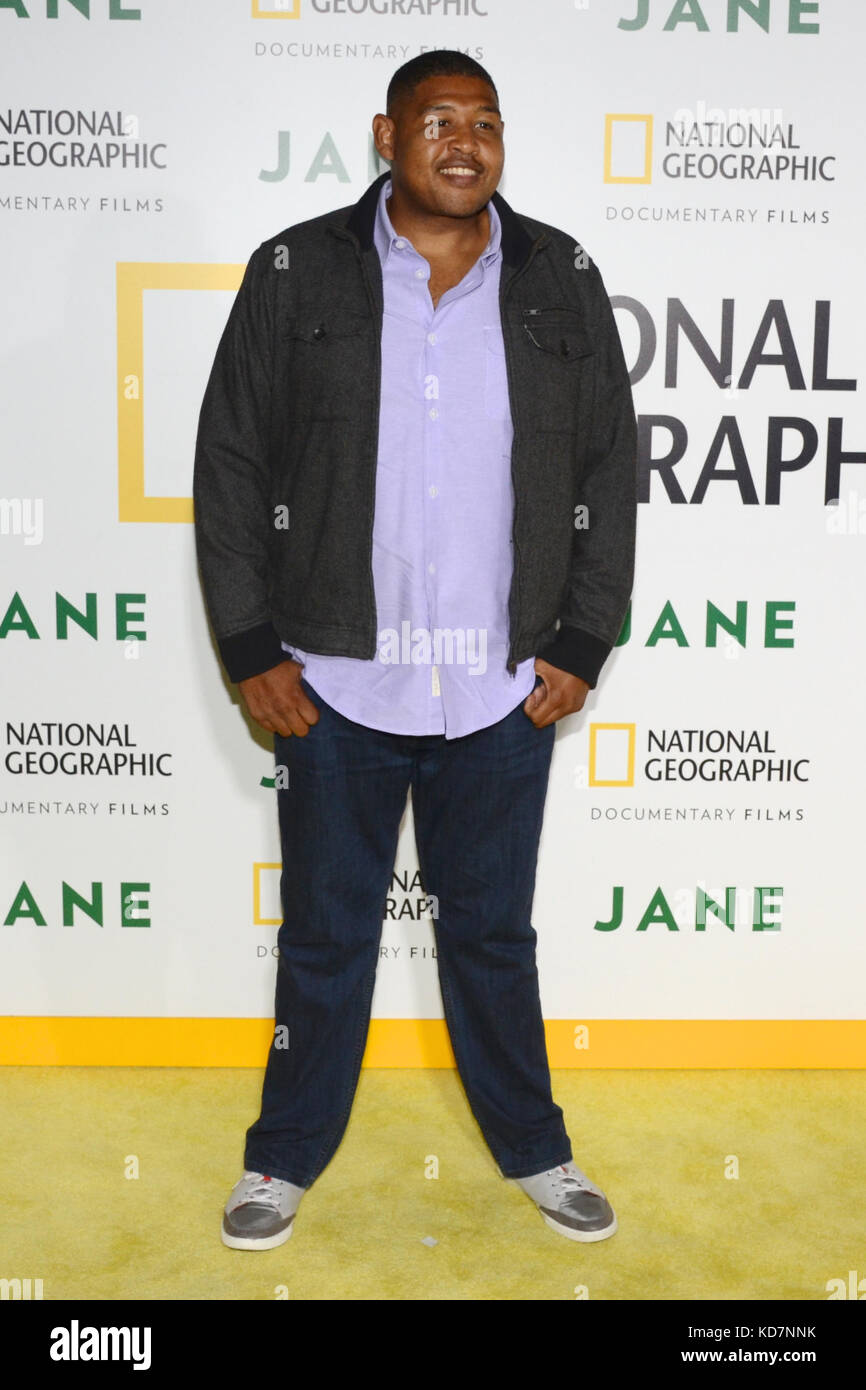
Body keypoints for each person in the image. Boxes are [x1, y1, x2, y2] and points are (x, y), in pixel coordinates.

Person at [193, 50, 637, 1252]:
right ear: (384, 135)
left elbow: (608, 463)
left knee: (492, 932)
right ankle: (281, 1161)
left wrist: (583, 634)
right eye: (437, 119)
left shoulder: (559, 274)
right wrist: (249, 645)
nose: (464, 142)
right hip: (332, 679)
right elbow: (231, 462)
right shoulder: (294, 271)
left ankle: (534, 1149)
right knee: (327, 936)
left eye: (484, 122)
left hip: (502, 685)